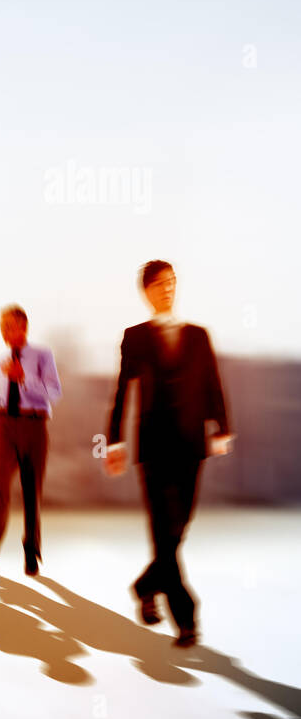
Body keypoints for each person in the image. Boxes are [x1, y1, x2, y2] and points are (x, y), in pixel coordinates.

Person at [104, 260, 233, 648]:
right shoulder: (135, 336)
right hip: (154, 445)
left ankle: (145, 585)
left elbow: (212, 381)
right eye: (160, 284)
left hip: (192, 444)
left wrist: (221, 426)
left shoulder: (198, 335)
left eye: (172, 282)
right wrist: (114, 440)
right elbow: (123, 389)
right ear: (146, 291)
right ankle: (187, 618)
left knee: (177, 528)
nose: (167, 289)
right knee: (164, 528)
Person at [0, 306, 62, 577]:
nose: (4, 331)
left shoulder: (43, 355)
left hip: (34, 425)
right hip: (4, 427)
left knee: (31, 491)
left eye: (9, 325)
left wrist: (24, 378)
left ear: (24, 326)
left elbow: (55, 392)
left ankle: (31, 551)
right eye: (1, 326)